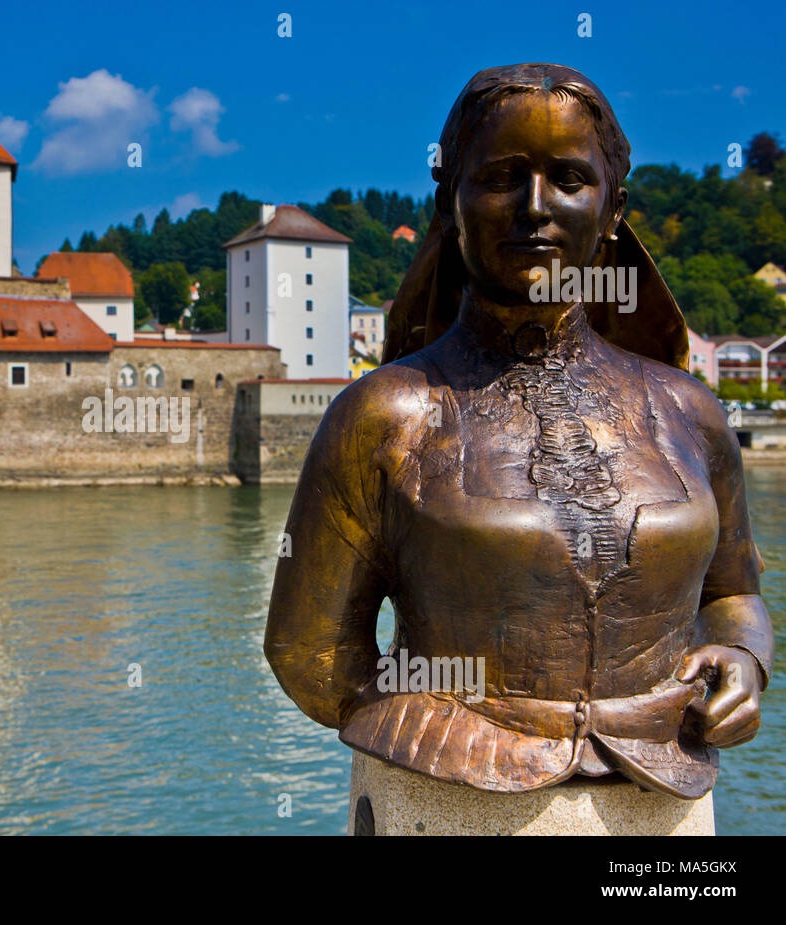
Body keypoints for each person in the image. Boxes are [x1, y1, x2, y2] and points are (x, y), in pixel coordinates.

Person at [264, 64, 772, 799]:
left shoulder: (689, 409)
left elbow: (734, 592)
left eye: (568, 178)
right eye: (502, 176)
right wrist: (431, 723)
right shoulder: (383, 416)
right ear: (451, 201)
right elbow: (307, 648)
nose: (534, 206)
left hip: (664, 784)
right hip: (449, 781)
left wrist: (741, 655)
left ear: (613, 207)